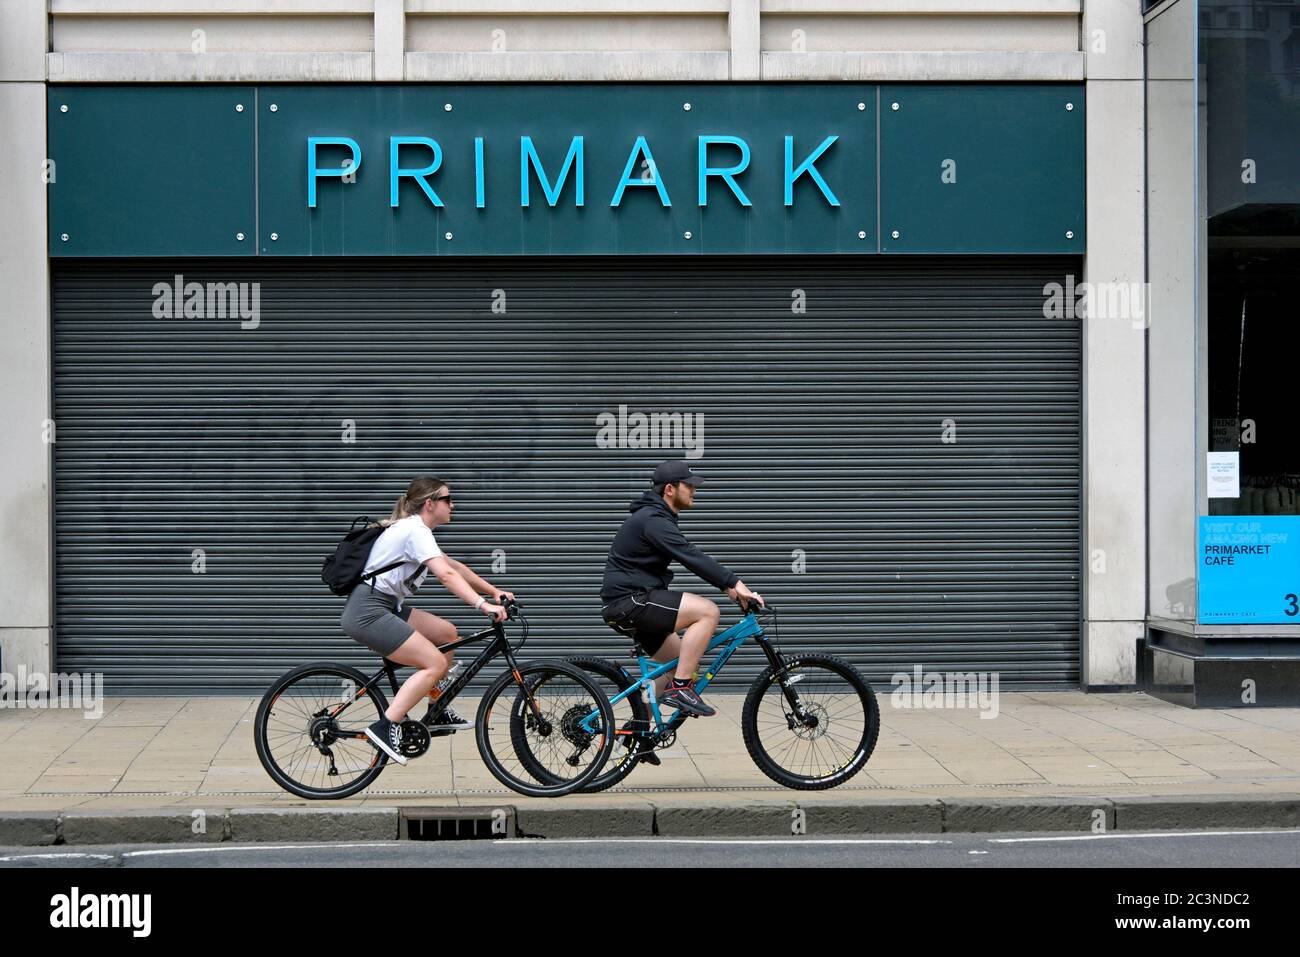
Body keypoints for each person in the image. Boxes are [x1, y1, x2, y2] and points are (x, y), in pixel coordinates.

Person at [341, 476, 512, 765]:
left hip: (386, 606)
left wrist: (494, 591)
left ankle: (437, 707)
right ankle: (385, 726)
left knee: (446, 633)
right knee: (433, 662)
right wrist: (483, 605)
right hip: (367, 611)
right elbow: (445, 576)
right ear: (430, 504)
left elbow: (454, 567)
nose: (453, 505)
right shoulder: (414, 531)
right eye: (448, 499)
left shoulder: (419, 532)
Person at [600, 460, 763, 719]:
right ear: (669, 489)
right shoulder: (652, 519)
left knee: (677, 666)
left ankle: (636, 731)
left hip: (632, 602)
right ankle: (680, 690)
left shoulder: (656, 517)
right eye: (689, 486)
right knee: (707, 612)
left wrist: (728, 589)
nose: (694, 491)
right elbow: (689, 555)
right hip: (630, 601)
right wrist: (732, 583)